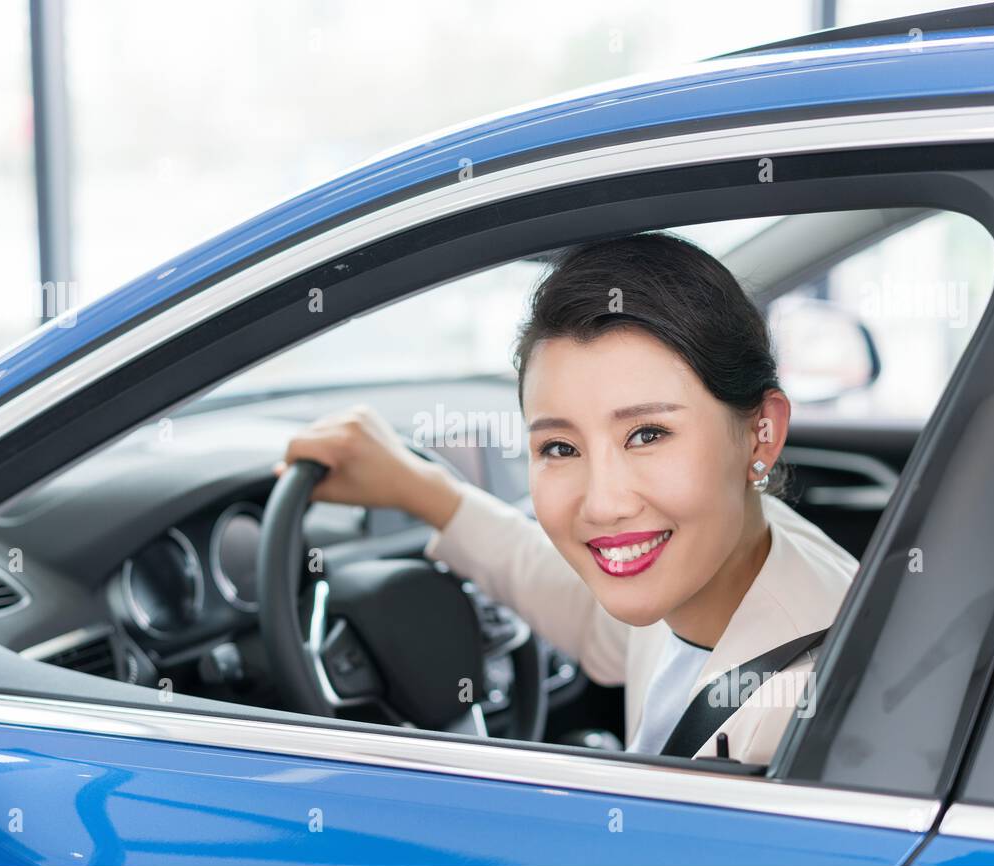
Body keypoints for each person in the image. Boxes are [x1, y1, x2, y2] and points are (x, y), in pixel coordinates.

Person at [274, 232, 859, 763]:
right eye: (560, 447)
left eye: (647, 435)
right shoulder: (736, 556)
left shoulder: (796, 717)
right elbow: (592, 619)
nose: (602, 504)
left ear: (762, 433)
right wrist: (422, 491)